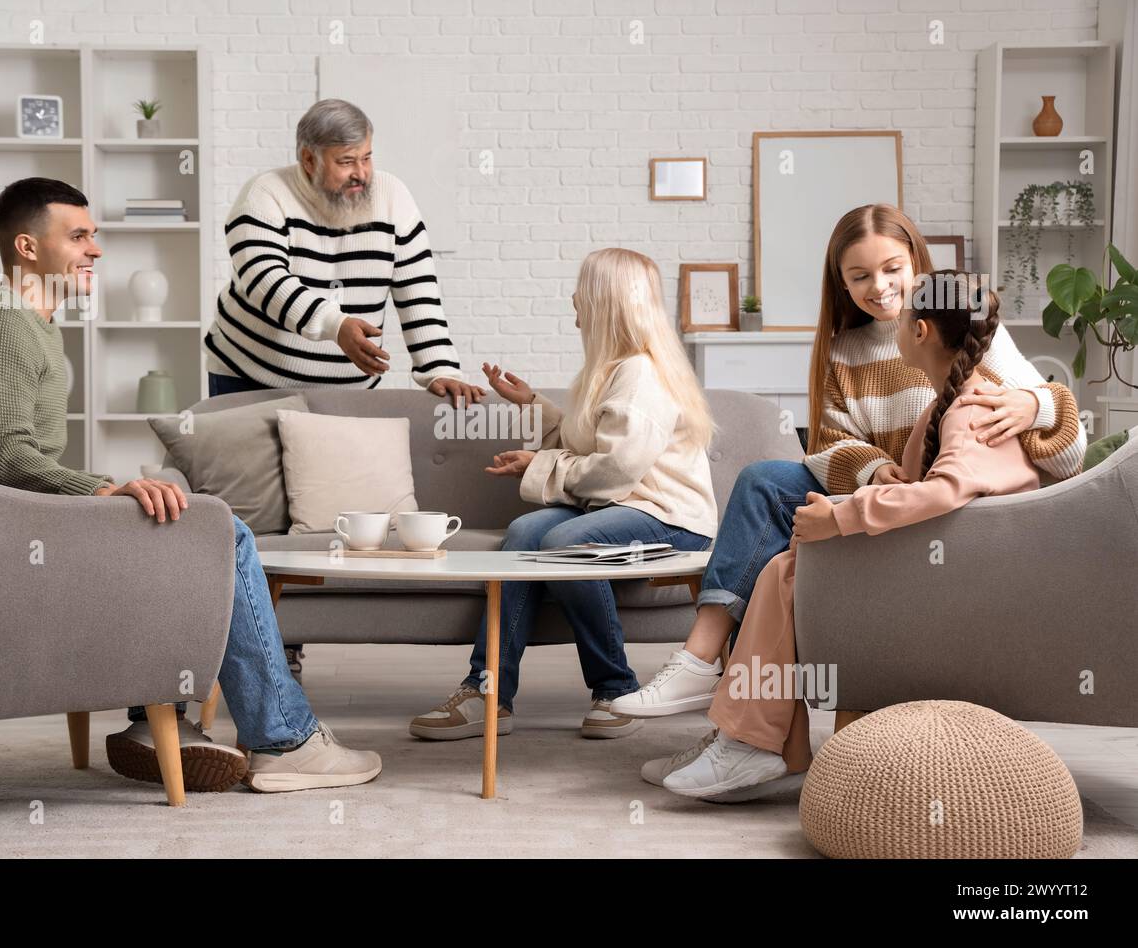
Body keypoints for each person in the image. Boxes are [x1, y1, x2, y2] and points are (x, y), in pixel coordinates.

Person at [0, 177, 382, 794]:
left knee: (183, 532)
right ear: (26, 247)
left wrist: (101, 496)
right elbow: (3, 457)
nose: (96, 250)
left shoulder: (29, 322)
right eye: (78, 236)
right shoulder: (1, 326)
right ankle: (284, 739)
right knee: (219, 534)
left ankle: (155, 719)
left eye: (94, 236)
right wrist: (102, 491)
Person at [611, 205, 1085, 781]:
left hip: (937, 526)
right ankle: (709, 676)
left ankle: (746, 736)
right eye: (859, 277)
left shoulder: (970, 339)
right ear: (840, 283)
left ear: (917, 269)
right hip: (893, 494)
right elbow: (830, 444)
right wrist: (871, 474)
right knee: (766, 498)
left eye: (892, 270)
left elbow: (1059, 455)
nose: (880, 288)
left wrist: (1036, 404)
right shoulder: (844, 351)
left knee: (783, 567)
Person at [659, 274, 1044, 799]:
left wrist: (840, 519)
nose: (893, 320)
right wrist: (835, 511)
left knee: (785, 571)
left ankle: (753, 743)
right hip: (947, 563)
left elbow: (945, 492)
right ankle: (759, 744)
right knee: (786, 563)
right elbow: (920, 489)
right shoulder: (945, 408)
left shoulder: (971, 412)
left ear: (922, 331)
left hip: (965, 579)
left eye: (905, 314)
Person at [408, 248, 718, 740]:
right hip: (623, 508)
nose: (573, 298)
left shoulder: (640, 373)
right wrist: (532, 405)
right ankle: (488, 690)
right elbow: (592, 445)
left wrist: (540, 464)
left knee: (562, 542)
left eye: (581, 289)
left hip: (670, 519)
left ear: (602, 302)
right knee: (526, 529)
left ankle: (616, 688)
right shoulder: (614, 368)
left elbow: (615, 470)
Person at [204, 97, 484, 404]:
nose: (361, 173)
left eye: (367, 158)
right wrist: (336, 326)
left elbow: (419, 292)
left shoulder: (394, 198)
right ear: (309, 160)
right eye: (347, 161)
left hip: (350, 394)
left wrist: (440, 369)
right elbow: (265, 282)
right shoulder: (263, 195)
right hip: (249, 379)